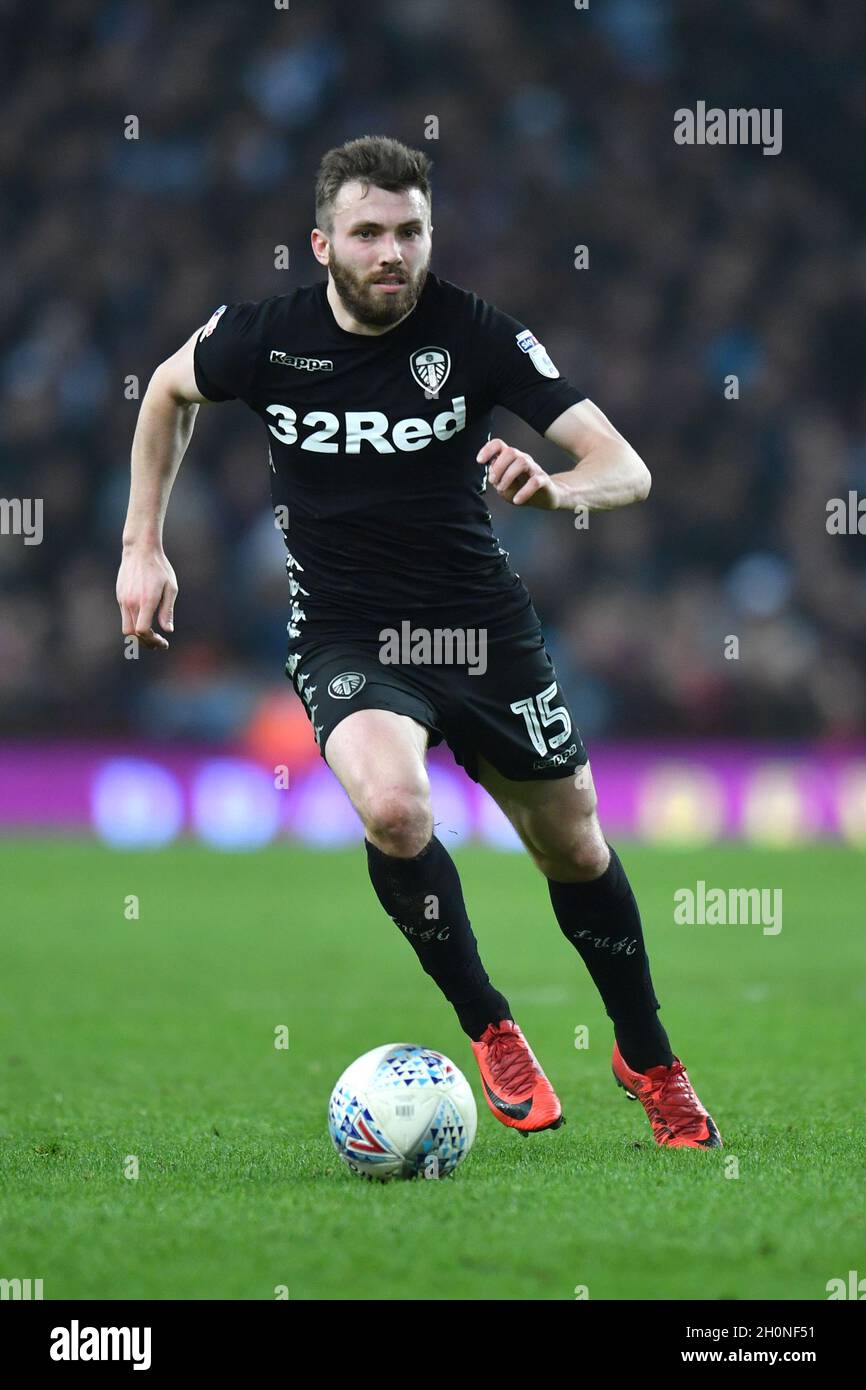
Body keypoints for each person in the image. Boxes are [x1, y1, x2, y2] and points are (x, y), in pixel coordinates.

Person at [117, 135, 721, 1149]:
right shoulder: (263, 338)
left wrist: (559, 486)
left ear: (428, 235)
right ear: (322, 243)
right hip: (350, 632)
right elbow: (166, 392)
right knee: (395, 809)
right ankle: (488, 1024)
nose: (390, 252)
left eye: (408, 232)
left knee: (572, 843)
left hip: (479, 630)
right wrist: (143, 547)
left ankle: (645, 1052)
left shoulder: (476, 334)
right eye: (367, 233)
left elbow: (626, 465)